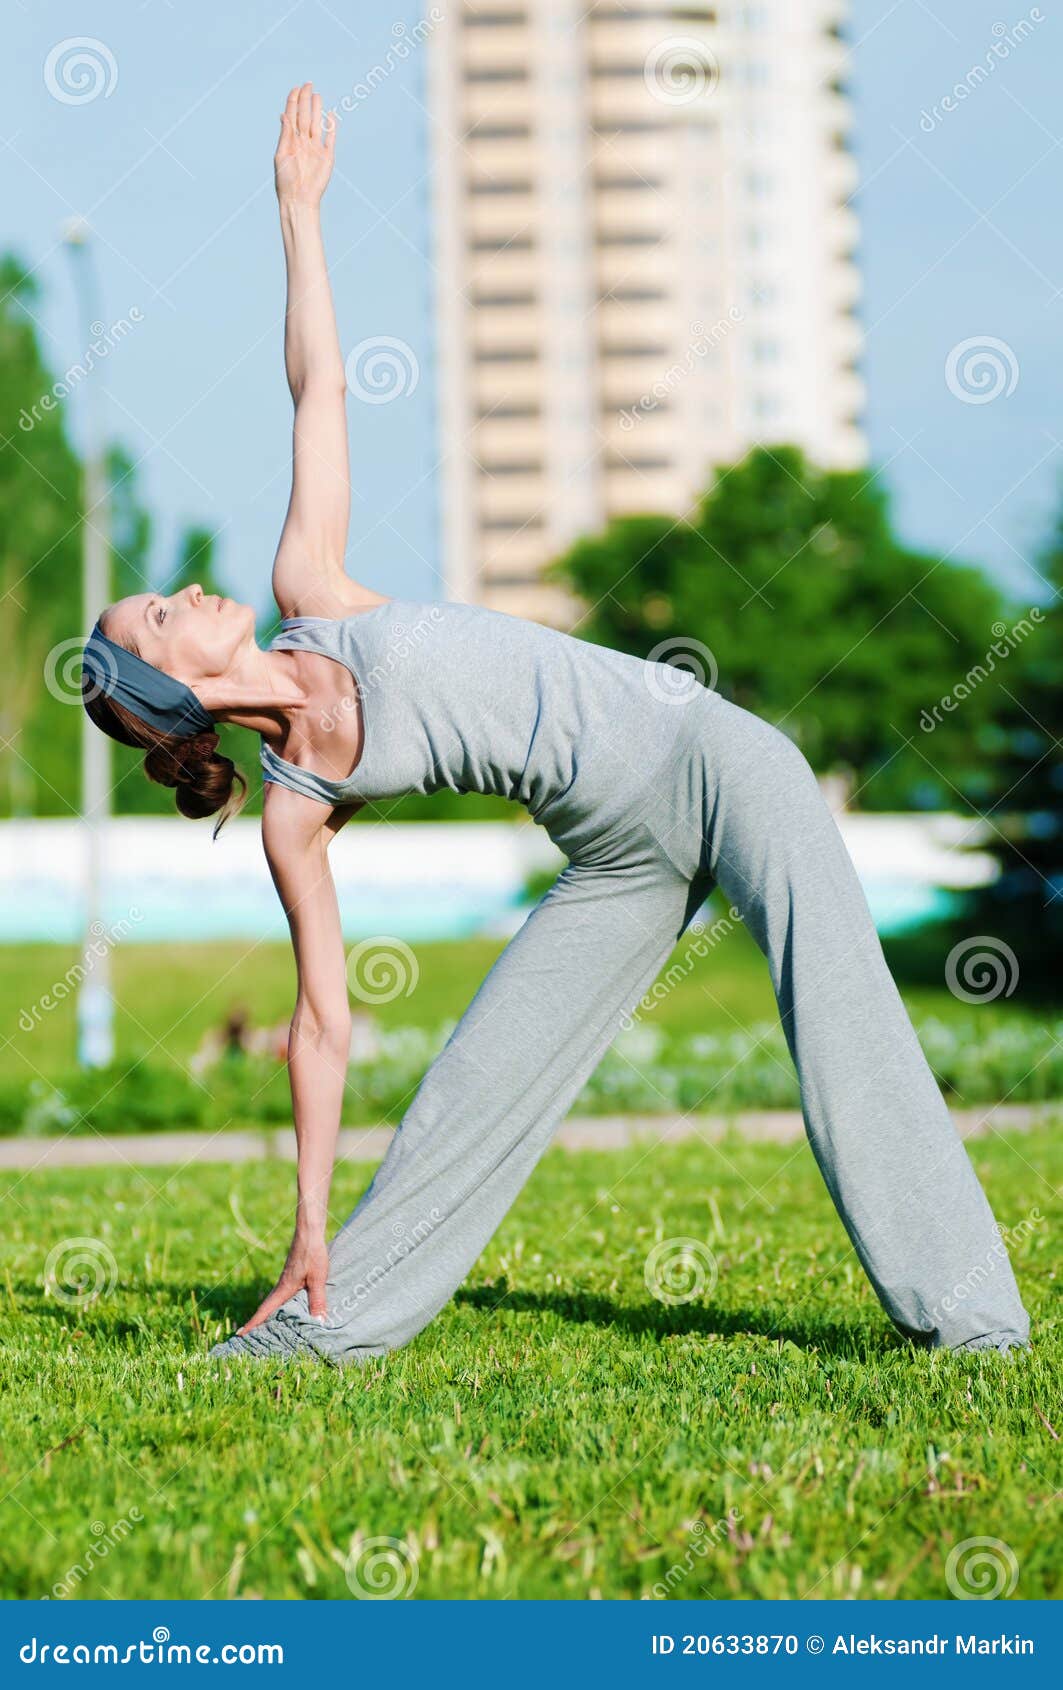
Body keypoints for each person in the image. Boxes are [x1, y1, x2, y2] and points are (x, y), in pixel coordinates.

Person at [80, 84, 1029, 1365]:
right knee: (474, 1085)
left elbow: (321, 389)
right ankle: (323, 1318)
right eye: (160, 612)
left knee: (839, 1010)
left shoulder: (315, 593)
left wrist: (298, 216)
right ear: (171, 693)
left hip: (712, 758)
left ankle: (969, 1320)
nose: (186, 588)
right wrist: (305, 1217)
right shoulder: (296, 809)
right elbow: (320, 1022)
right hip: (618, 854)